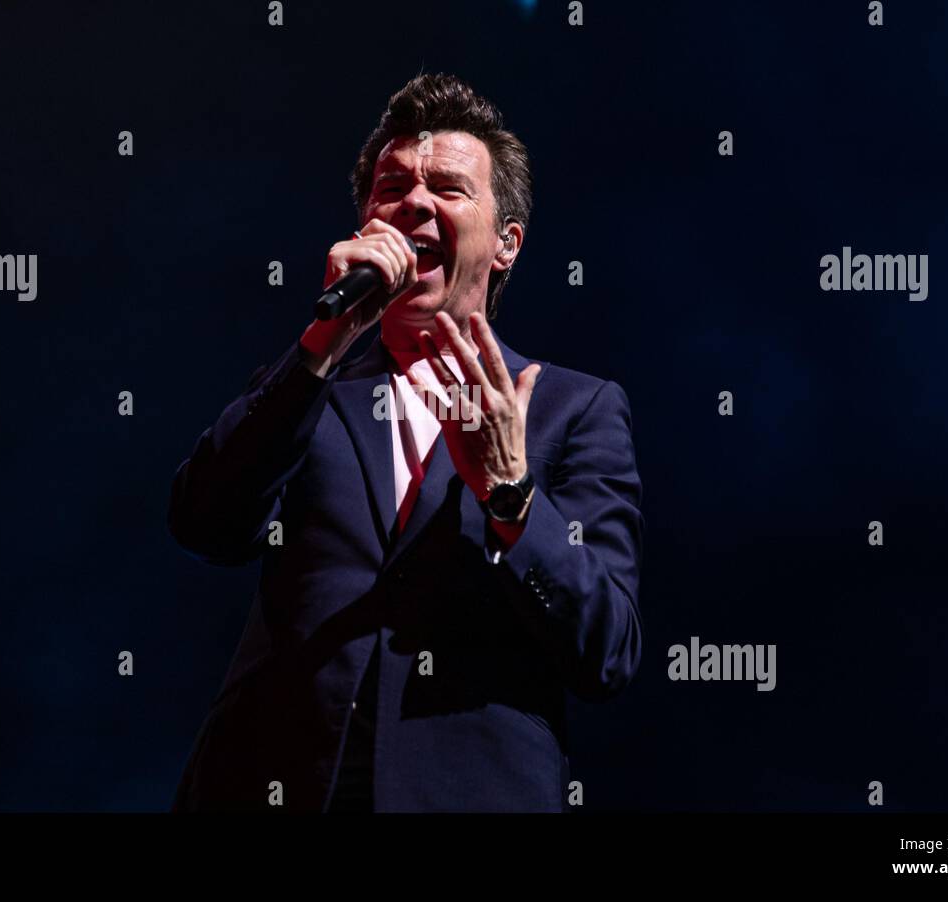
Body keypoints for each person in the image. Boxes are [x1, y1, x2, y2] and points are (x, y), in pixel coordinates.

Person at [168, 73, 644, 812]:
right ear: (365, 223)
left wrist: (512, 497)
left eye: (450, 188)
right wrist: (322, 343)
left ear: (507, 243)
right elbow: (204, 523)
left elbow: (607, 650)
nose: (414, 202)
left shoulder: (573, 410)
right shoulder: (308, 386)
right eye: (391, 187)